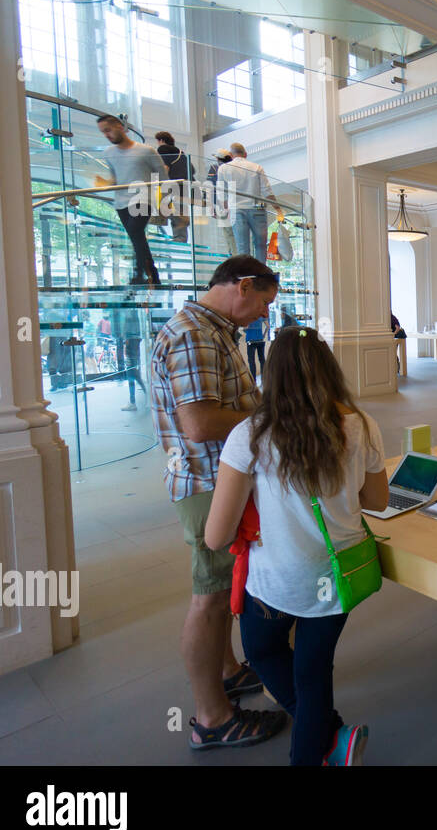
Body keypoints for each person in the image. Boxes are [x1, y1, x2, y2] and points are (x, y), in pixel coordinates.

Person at [204, 326, 388, 766]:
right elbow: (377, 501)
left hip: (275, 582)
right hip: (337, 575)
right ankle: (328, 737)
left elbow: (215, 535)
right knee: (312, 673)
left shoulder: (251, 434)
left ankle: (323, 740)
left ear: (271, 374)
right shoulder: (360, 426)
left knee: (265, 653)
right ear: (329, 370)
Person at [150, 255, 287, 750]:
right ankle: (213, 719)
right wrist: (271, 414)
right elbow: (199, 424)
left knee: (220, 588)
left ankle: (228, 670)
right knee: (209, 599)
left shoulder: (214, 329)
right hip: (209, 485)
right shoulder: (194, 334)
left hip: (216, 480)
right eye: (263, 303)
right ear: (242, 285)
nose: (262, 316)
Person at [94, 114, 168, 285]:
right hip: (121, 202)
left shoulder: (146, 150)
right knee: (137, 237)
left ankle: (139, 274)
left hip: (143, 200)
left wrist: (164, 204)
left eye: (108, 130)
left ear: (120, 127)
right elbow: (116, 178)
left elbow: (163, 177)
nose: (106, 135)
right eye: (103, 132)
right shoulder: (108, 153)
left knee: (136, 232)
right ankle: (153, 275)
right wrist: (105, 183)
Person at [216, 143, 282, 262]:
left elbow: (222, 194)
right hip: (257, 208)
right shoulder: (257, 167)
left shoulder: (223, 168)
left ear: (231, 155)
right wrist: (278, 209)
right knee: (260, 245)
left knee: (242, 247)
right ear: (246, 154)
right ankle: (260, 274)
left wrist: (225, 209)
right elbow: (267, 191)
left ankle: (246, 275)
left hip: (237, 209)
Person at [154, 131, 195, 243]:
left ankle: (156, 239)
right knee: (180, 217)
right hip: (183, 189)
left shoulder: (162, 150)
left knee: (158, 213)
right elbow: (192, 170)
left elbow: (165, 169)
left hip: (170, 187)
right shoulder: (182, 154)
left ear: (161, 140)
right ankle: (180, 241)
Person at [114, 296, 146, 411]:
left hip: (131, 343)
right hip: (133, 343)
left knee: (132, 372)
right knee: (133, 372)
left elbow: (130, 330)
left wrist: (126, 339)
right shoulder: (134, 312)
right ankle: (141, 397)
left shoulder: (131, 314)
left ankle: (134, 401)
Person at [244, 314, 268, 384]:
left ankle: (253, 381)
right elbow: (268, 326)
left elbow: (246, 327)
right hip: (260, 339)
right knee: (262, 359)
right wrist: (263, 335)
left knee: (251, 360)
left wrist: (243, 329)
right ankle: (263, 379)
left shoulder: (248, 315)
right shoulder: (260, 315)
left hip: (250, 340)